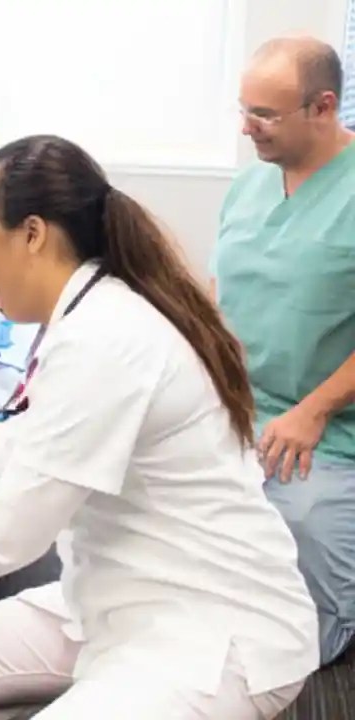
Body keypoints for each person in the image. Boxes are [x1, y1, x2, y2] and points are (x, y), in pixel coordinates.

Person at [0, 134, 319, 718]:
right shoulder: (91, 312)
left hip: (209, 630)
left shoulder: (106, 337)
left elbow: (8, 535)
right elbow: (11, 451)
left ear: (31, 233)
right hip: (113, 593)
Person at [212, 36, 355, 667]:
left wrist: (315, 410)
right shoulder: (248, 190)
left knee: (304, 617)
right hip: (241, 414)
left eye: (264, 116)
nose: (247, 129)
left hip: (329, 432)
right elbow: (222, 299)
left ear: (323, 108)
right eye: (243, 110)